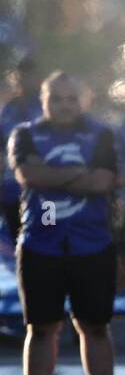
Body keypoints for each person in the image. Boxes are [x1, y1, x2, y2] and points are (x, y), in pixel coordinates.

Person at [1, 72, 125, 375]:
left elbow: (104, 181)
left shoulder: (102, 135)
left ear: (84, 100)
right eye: (57, 98)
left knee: (94, 325)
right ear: (44, 100)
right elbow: (29, 177)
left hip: (91, 243)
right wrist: (78, 175)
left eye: (71, 98)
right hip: (40, 243)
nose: (64, 105)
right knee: (41, 326)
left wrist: (55, 174)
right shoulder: (26, 134)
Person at [1, 56, 44, 244]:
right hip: (12, 189)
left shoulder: (47, 105)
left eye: (30, 74)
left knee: (46, 237)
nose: (25, 79)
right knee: (17, 240)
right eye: (21, 74)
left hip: (44, 191)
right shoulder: (8, 109)